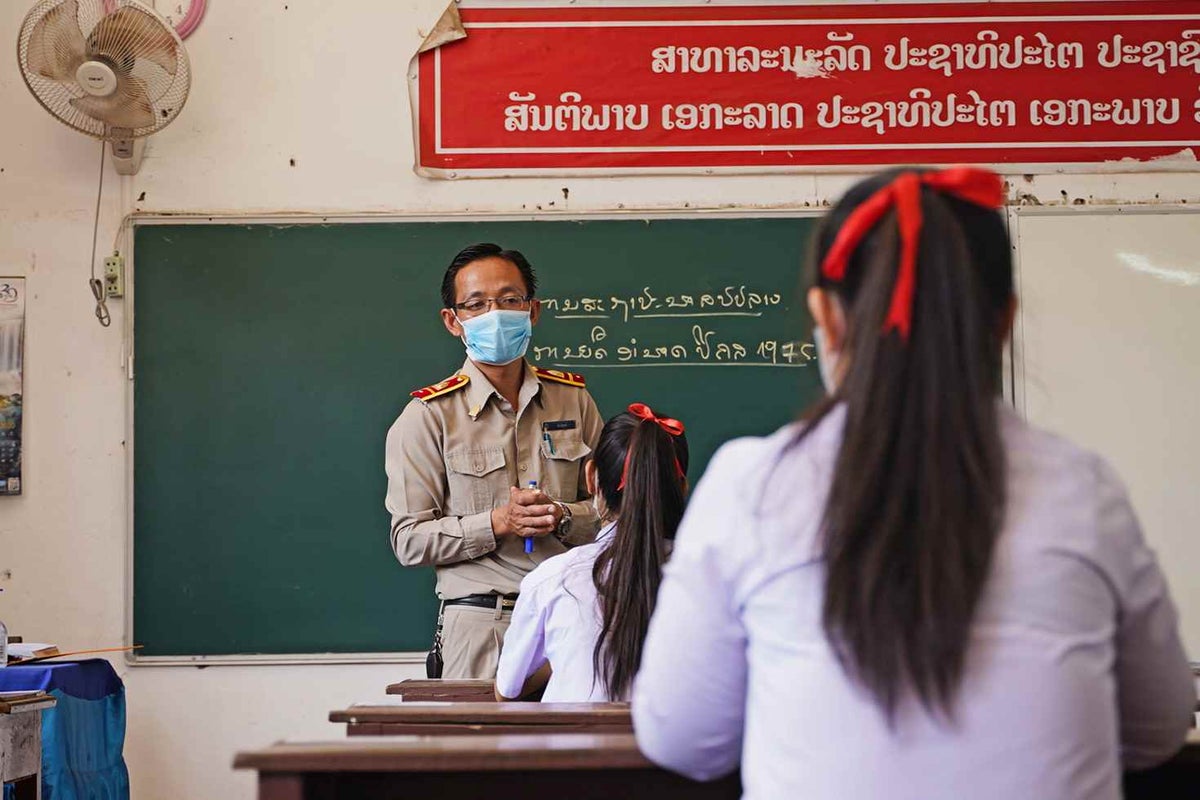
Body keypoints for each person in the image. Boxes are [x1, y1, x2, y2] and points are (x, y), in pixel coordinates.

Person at [632, 168, 1195, 799]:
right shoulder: (1082, 489)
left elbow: (681, 738)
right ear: (1005, 320)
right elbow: (1159, 728)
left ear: (825, 316)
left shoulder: (751, 486)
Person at [385, 242, 603, 679]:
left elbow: (616, 512)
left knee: (580, 747)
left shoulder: (573, 400)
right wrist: (499, 522)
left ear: (532, 311)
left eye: (509, 301)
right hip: (484, 626)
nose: (495, 314)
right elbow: (409, 541)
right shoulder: (429, 416)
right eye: (476, 304)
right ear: (453, 321)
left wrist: (562, 516)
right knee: (483, 748)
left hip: (575, 618)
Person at [495, 403, 689, 702]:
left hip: (574, 748)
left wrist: (558, 650)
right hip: (672, 750)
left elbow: (508, 690)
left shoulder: (554, 578)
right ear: (682, 487)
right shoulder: (712, 580)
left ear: (591, 478)